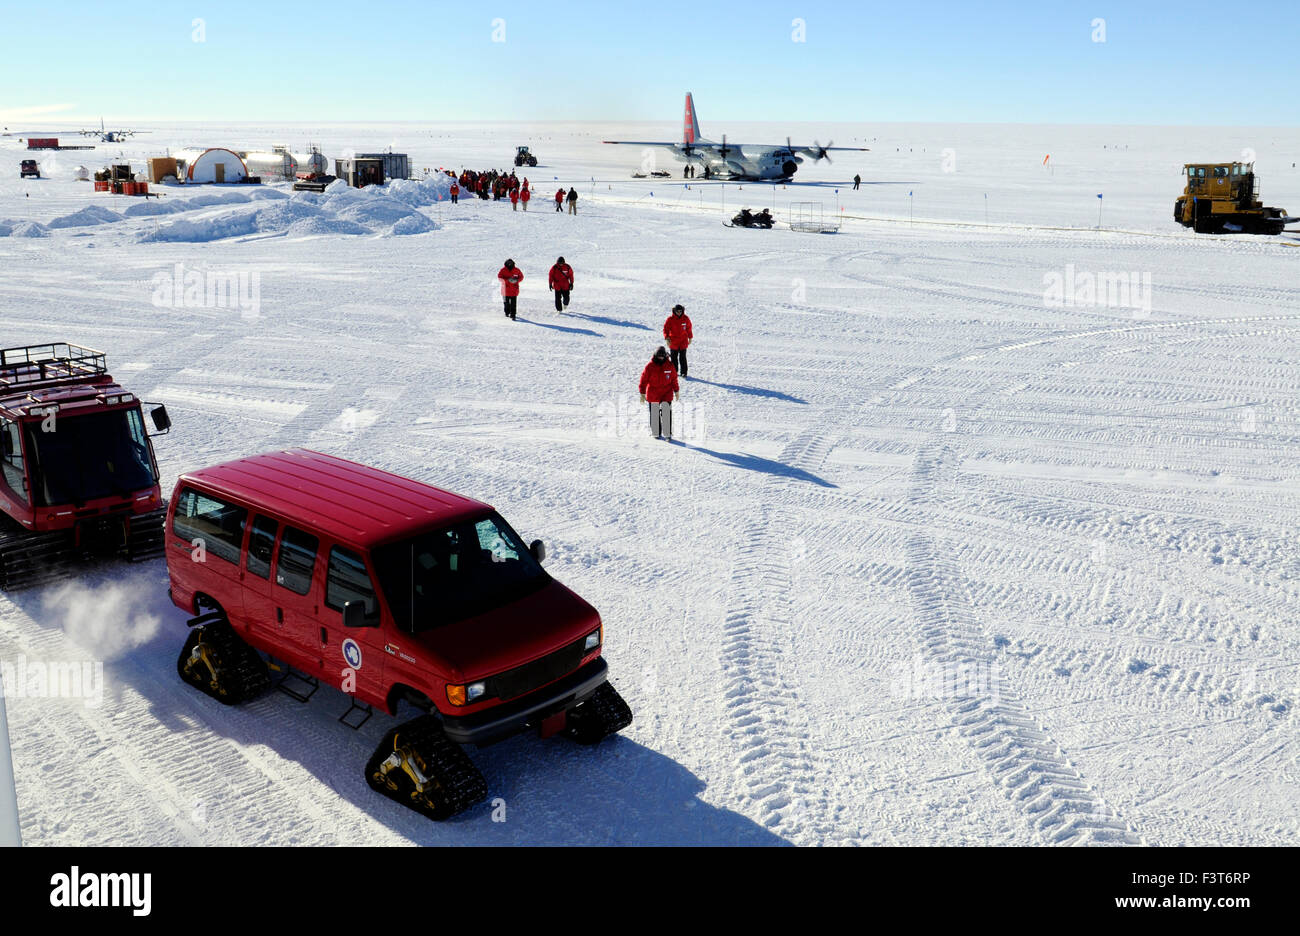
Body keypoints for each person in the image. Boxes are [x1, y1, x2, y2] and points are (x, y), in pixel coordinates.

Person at [639, 346, 679, 441]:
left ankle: (667, 433)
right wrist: (642, 393)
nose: (660, 358)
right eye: (659, 356)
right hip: (653, 392)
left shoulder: (669, 365)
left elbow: (674, 379)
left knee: (666, 411)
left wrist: (676, 390)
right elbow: (643, 379)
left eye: (662, 356)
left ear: (665, 356)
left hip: (666, 392)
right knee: (654, 412)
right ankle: (656, 432)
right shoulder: (650, 366)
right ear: (655, 356)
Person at [663, 304, 692, 378]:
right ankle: (674, 371)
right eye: (677, 311)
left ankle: (684, 372)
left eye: (680, 311)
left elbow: (689, 328)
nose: (679, 313)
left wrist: (690, 337)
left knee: (683, 357)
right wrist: (667, 338)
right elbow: (665, 329)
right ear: (674, 311)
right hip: (673, 342)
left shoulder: (686, 319)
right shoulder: (670, 319)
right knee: (673, 358)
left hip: (683, 341)